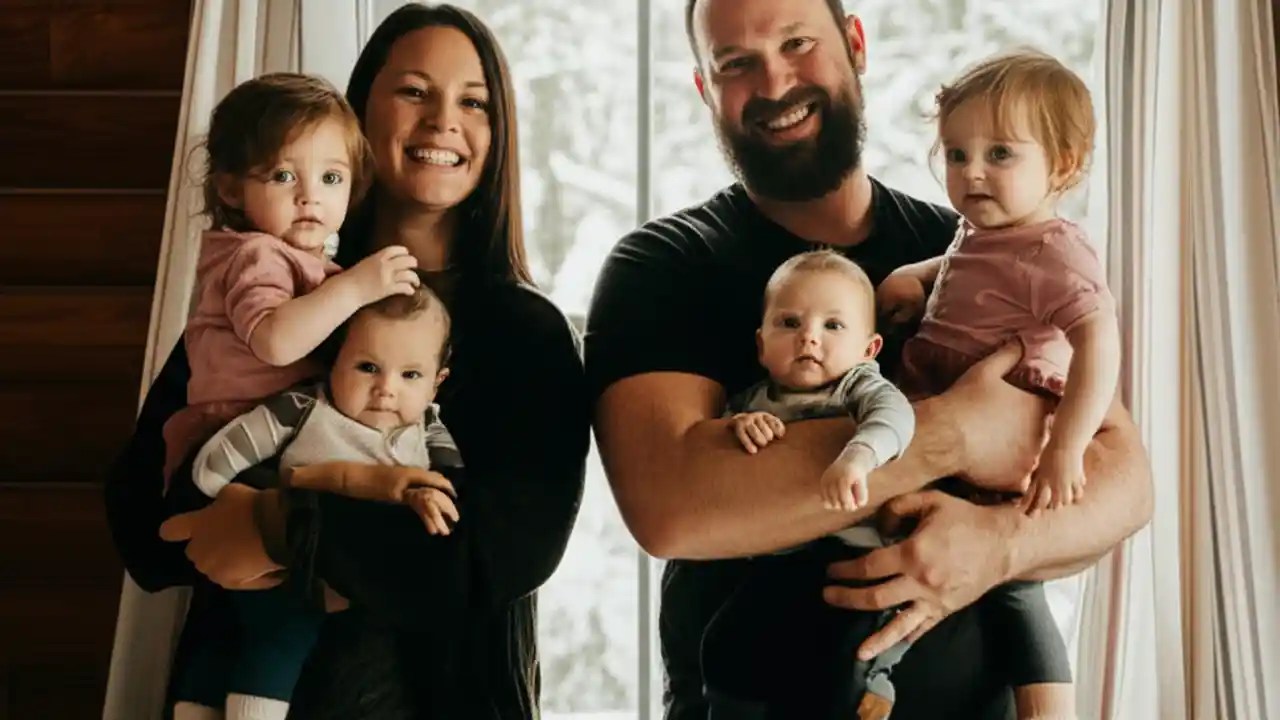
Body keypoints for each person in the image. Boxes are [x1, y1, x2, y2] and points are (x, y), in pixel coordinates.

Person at [585, 0, 1152, 718]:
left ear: (855, 44)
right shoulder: (665, 265)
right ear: (704, 87)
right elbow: (673, 507)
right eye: (736, 64)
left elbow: (1125, 481)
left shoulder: (973, 247)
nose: (775, 82)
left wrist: (1000, 544)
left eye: (797, 43)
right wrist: (956, 430)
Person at [105, 4, 589, 718]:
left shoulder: (527, 331)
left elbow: (497, 557)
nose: (443, 121)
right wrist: (215, 521)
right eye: (415, 91)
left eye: (474, 102)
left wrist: (280, 525)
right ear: (359, 115)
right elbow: (141, 509)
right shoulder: (274, 294)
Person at [159, 71, 428, 720]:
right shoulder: (258, 257)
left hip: (238, 440)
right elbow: (276, 341)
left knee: (232, 615)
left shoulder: (294, 261)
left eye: (331, 179)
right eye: (284, 177)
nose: (311, 197)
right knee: (287, 616)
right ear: (230, 186)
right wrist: (357, 289)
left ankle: (196, 705)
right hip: (232, 445)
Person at [879, 50, 1119, 521]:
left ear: (1062, 166)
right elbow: (966, 262)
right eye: (956, 154)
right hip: (936, 396)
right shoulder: (987, 228)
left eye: (1000, 154)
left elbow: (1099, 339)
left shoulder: (1054, 251)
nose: (972, 171)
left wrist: (1066, 448)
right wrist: (915, 275)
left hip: (997, 435)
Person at [699, 249, 922, 718]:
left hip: (856, 558)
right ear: (761, 344)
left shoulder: (857, 386)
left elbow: (896, 416)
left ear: (869, 349)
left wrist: (859, 455)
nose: (809, 338)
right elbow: (711, 451)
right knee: (722, 646)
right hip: (781, 557)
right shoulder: (753, 399)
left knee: (841, 664)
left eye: (833, 326)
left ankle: (880, 677)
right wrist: (737, 425)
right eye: (790, 322)